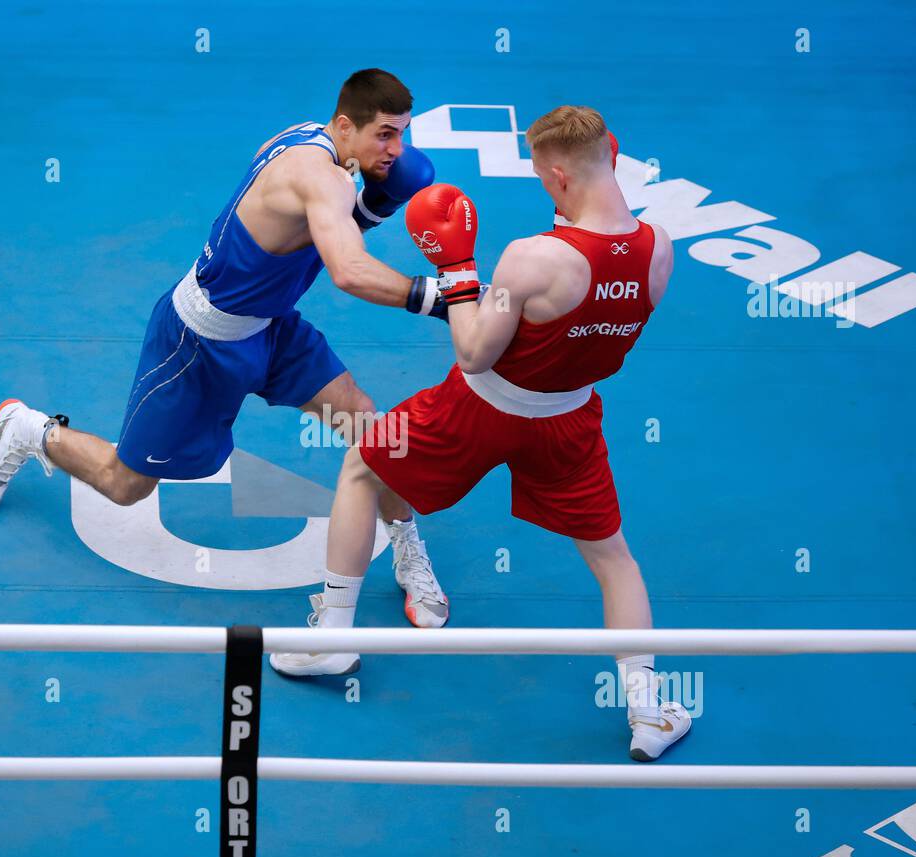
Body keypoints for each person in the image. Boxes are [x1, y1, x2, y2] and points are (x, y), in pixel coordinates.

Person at [272, 106, 689, 761]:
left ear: (558, 176)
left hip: (478, 409)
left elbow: (473, 353)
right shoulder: (659, 249)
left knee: (361, 467)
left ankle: (332, 637)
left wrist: (461, 272)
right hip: (568, 423)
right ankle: (648, 710)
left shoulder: (533, 259)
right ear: (611, 151)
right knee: (614, 560)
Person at [0, 69, 450, 633]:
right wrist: (439, 297)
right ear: (346, 126)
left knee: (366, 423)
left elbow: (308, 237)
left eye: (404, 134)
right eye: (386, 135)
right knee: (127, 485)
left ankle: (408, 547)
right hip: (198, 343)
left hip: (270, 329)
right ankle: (27, 431)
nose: (400, 150)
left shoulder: (311, 142)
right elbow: (347, 269)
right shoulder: (321, 178)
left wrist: (372, 207)